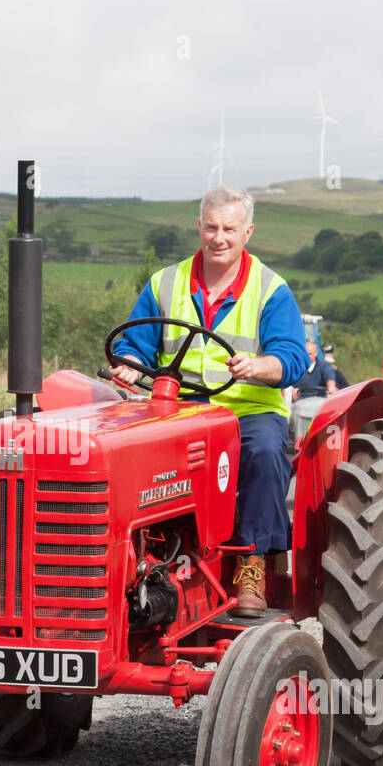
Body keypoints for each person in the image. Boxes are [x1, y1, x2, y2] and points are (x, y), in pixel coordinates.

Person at [110, 185, 308, 615]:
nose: (220, 237)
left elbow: (292, 358)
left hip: (247, 411)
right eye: (212, 227)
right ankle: (130, 565)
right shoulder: (166, 282)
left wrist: (260, 366)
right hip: (179, 410)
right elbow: (136, 342)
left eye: (230, 229)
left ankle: (251, 565)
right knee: (125, 451)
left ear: (248, 232)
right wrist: (128, 362)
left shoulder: (271, 289)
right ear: (199, 227)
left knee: (267, 452)